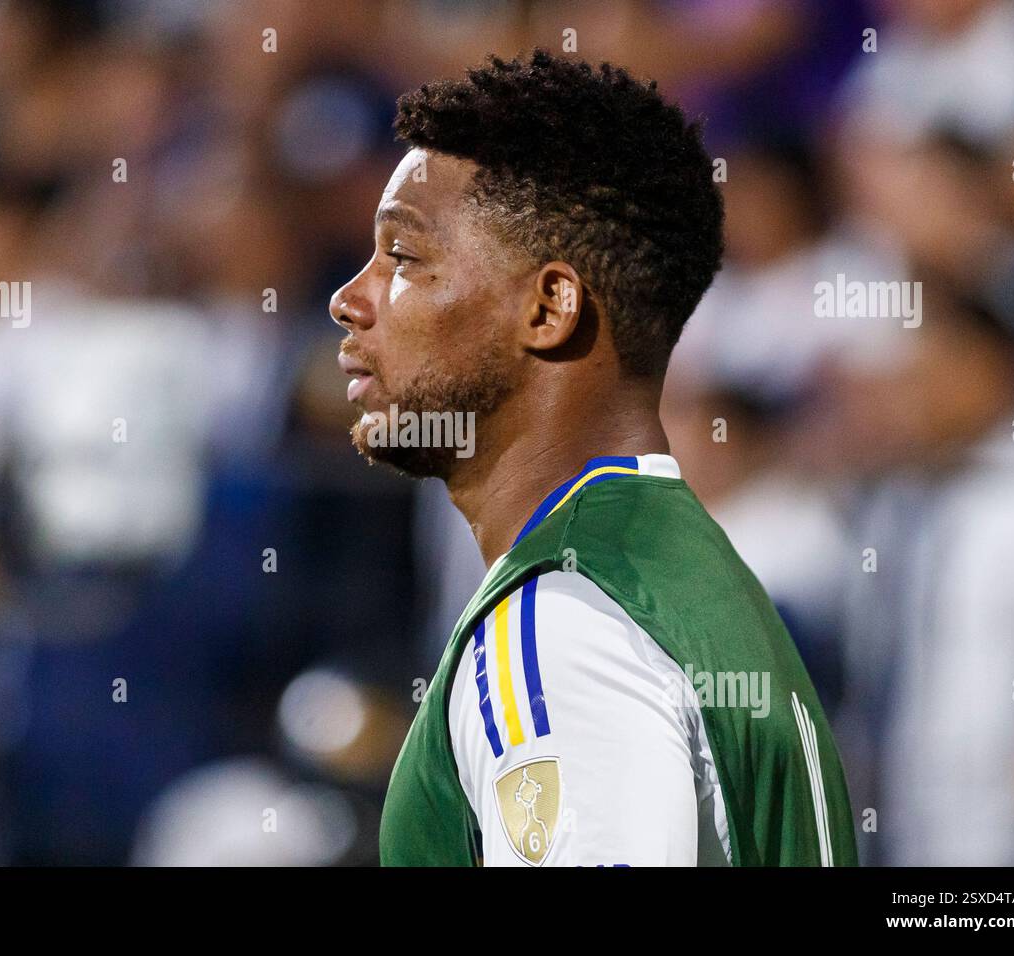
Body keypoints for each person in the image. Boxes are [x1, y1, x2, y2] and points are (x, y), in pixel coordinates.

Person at [328, 50, 857, 866]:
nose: (349, 298)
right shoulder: (677, 576)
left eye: (403, 258)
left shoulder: (561, 621)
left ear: (549, 308)